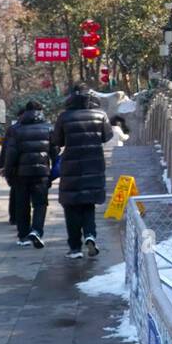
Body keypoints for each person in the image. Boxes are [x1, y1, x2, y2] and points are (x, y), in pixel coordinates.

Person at [52, 85, 113, 260]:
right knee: (88, 204)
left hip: (71, 167)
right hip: (94, 165)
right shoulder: (100, 114)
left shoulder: (64, 117)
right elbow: (106, 136)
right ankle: (90, 235)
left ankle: (75, 248)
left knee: (71, 207)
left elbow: (57, 140)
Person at [0, 101, 56, 248]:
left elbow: (11, 153)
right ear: (40, 111)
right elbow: (55, 153)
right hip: (41, 173)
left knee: (22, 204)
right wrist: (53, 171)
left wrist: (8, 172)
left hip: (20, 174)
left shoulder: (16, 129)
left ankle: (23, 235)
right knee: (40, 204)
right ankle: (36, 231)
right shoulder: (48, 128)